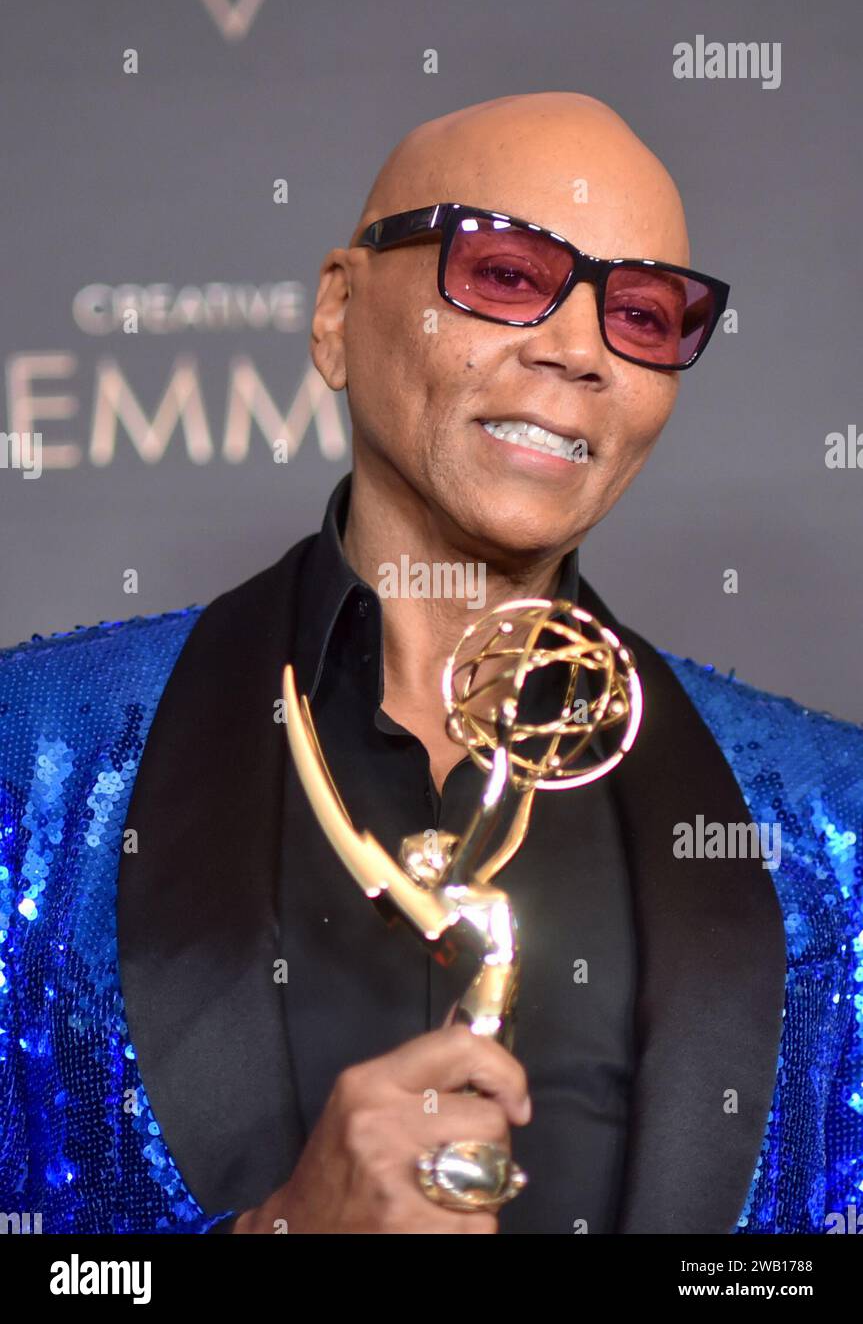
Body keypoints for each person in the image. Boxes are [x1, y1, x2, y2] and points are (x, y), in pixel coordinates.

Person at [1, 93, 860, 1236]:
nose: (576, 348)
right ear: (337, 313)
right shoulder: (32, 751)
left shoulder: (825, 818)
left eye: (643, 314)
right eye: (505, 274)